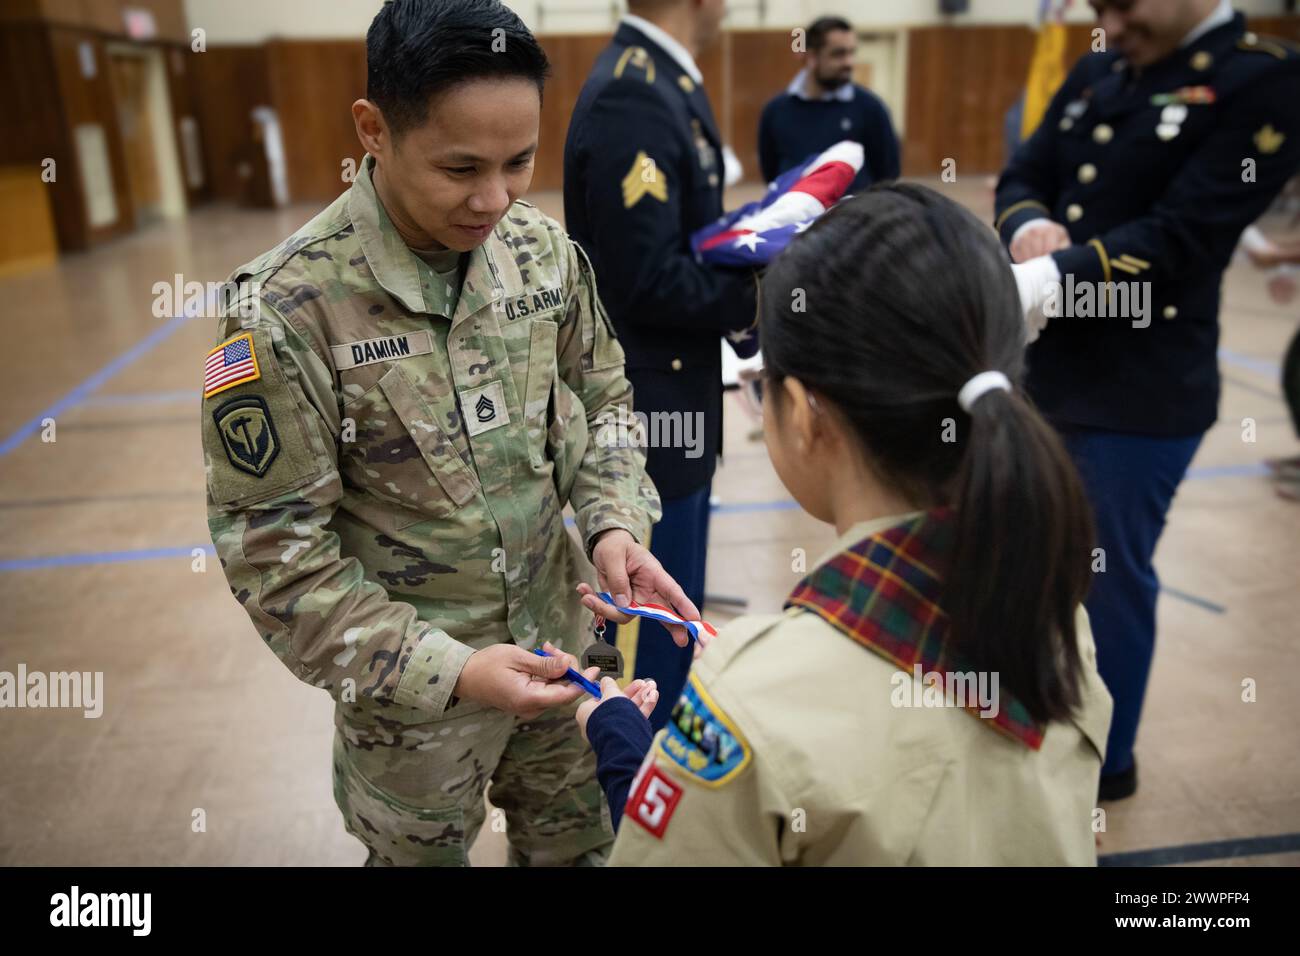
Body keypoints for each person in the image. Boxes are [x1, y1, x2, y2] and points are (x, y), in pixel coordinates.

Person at [201, 0, 696, 867]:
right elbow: (275, 559)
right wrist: (455, 673)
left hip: (565, 658)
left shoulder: (543, 256)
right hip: (412, 710)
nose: (495, 199)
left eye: (519, 163)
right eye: (460, 166)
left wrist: (615, 518)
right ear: (374, 129)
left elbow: (606, 395)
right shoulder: (284, 312)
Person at [571, 184, 1114, 866]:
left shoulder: (748, 701)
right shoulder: (1059, 616)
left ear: (802, 414)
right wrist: (770, 677)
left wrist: (622, 741)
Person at [997, 0, 1300, 800]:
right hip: (1049, 369)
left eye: (1121, 5)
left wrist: (1054, 276)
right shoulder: (1102, 69)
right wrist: (1028, 224)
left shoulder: (1261, 78)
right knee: (1031, 563)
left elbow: (1187, 234)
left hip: (1142, 387)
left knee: (1105, 578)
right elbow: (1028, 167)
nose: (1108, 22)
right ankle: (1032, 726)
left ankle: (1105, 761)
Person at [563, 0, 760, 730]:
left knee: (677, 615)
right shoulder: (634, 94)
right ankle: (639, 784)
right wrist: (756, 294)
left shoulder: (663, 79)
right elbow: (644, 277)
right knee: (652, 628)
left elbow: (680, 240)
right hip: (646, 415)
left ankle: (658, 773)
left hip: (676, 397)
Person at [758, 15, 899, 193]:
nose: (849, 62)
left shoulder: (871, 108)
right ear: (811, 57)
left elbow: (888, 174)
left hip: (856, 219)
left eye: (851, 53)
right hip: (796, 219)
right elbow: (770, 172)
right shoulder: (776, 111)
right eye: (838, 54)